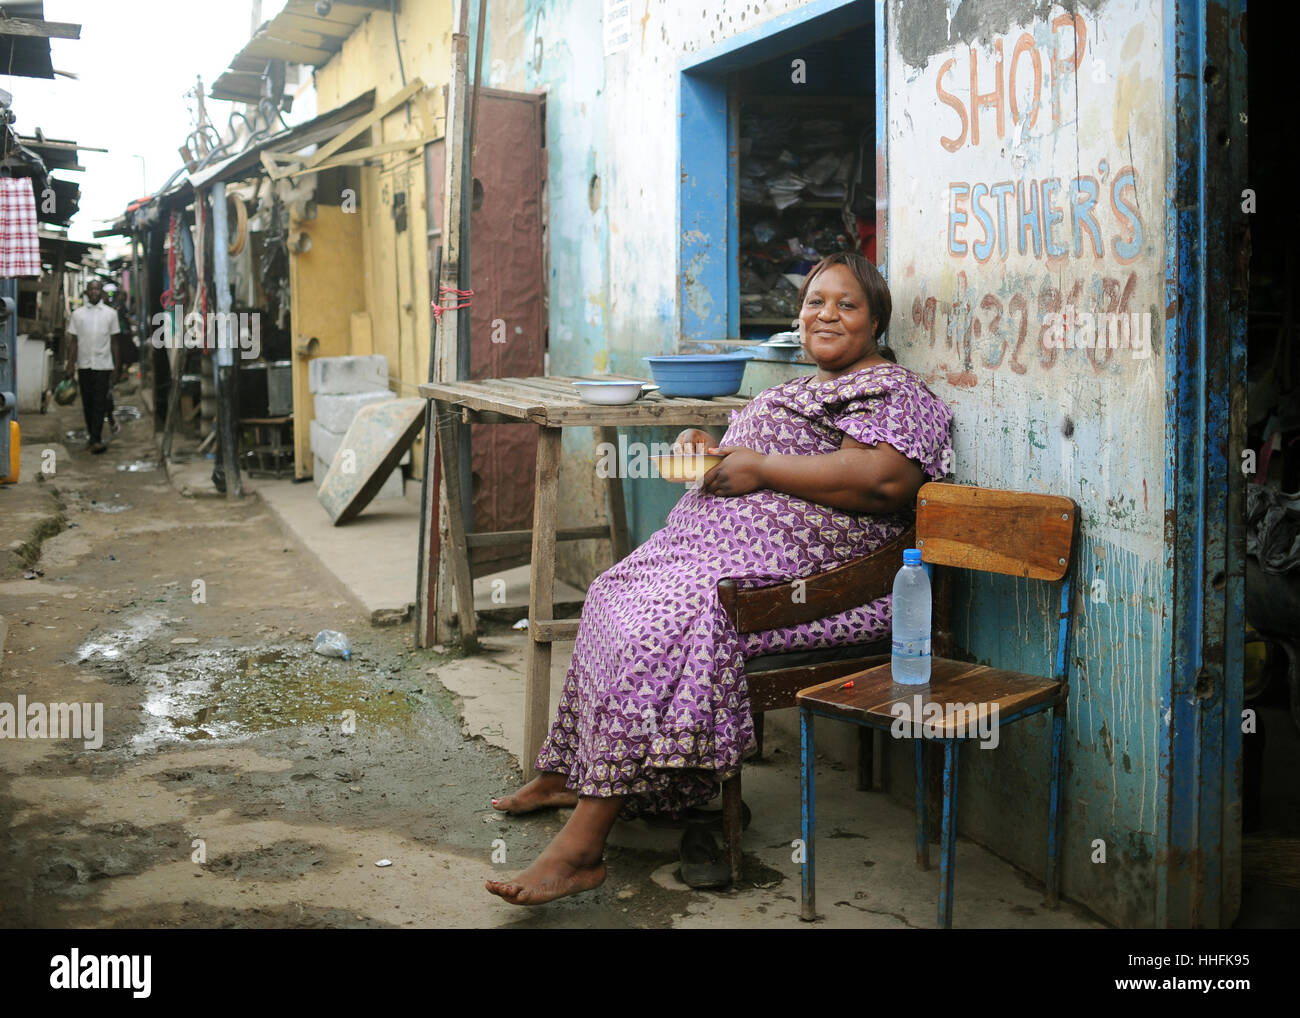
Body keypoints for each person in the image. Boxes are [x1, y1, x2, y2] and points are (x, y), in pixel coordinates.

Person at [485, 252, 954, 906]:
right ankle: (574, 770)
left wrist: (759, 469)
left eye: (846, 305)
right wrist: (708, 456)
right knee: (613, 591)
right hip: (713, 551)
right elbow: (757, 457)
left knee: (667, 625)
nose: (826, 314)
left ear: (876, 321)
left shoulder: (896, 393)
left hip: (823, 579)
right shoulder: (794, 388)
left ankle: (582, 847)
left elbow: (886, 480)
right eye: (816, 301)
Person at [65, 280, 120, 454]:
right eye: (91, 289)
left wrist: (117, 366)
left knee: (100, 402)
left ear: (101, 292)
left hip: (103, 365)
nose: (94, 292)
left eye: (97, 289)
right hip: (84, 364)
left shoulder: (111, 314)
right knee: (87, 402)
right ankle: (92, 435)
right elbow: (73, 342)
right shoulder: (78, 314)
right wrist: (70, 364)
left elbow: (115, 342)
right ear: (87, 292)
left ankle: (96, 438)